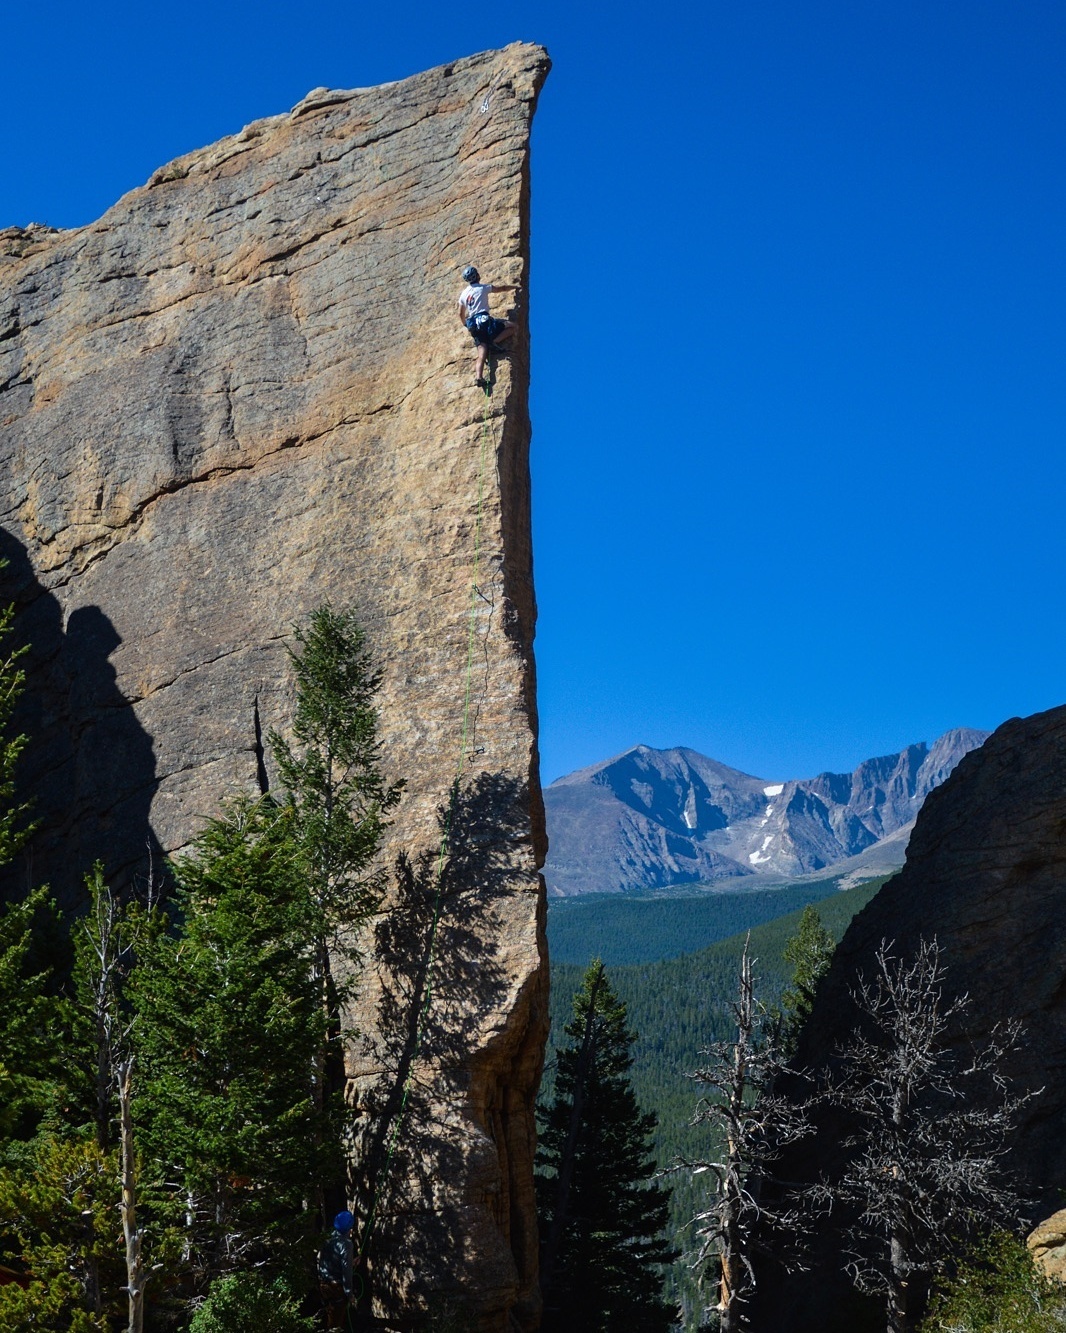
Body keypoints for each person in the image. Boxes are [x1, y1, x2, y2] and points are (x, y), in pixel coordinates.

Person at [458, 265, 520, 388]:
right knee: (513, 326)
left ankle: (478, 377)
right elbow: (501, 288)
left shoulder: (463, 294)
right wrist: (515, 287)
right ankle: (494, 341)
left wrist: (466, 324)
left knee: (482, 353)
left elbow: (460, 313)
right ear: (477, 276)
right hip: (485, 321)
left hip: (474, 325)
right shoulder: (483, 288)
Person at [317, 1210, 355, 1328]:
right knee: (335, 1324)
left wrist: (351, 1262)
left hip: (324, 1285)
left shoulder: (327, 1239)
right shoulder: (346, 1244)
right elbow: (346, 1271)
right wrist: (349, 1294)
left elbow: (324, 1260)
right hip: (336, 1288)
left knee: (329, 1316)